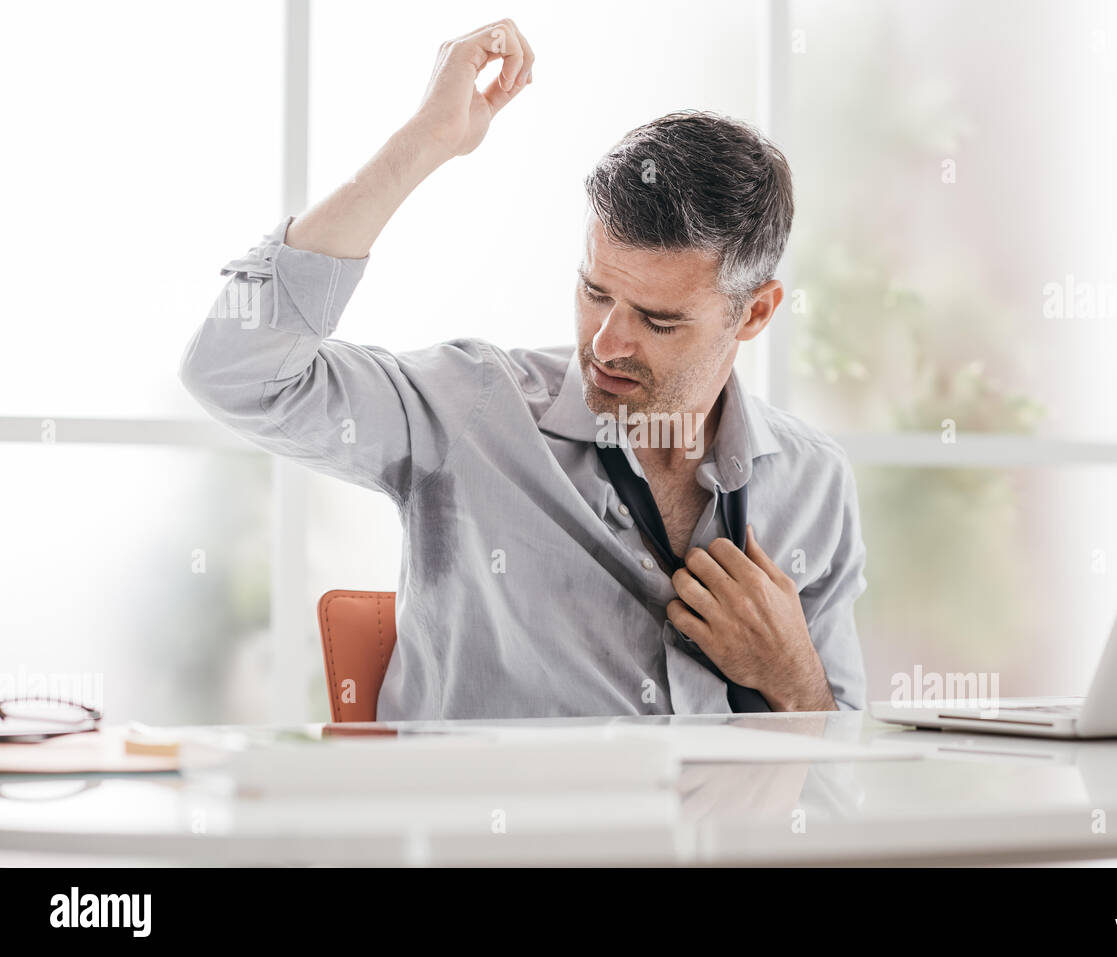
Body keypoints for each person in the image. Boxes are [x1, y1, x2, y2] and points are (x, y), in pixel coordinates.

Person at [180, 18, 866, 719]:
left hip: (721, 832)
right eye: (595, 291)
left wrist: (793, 677)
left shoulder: (814, 486)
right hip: (493, 828)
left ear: (754, 314)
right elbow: (235, 368)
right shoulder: (471, 411)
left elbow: (846, 788)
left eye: (658, 320)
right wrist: (423, 143)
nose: (606, 342)